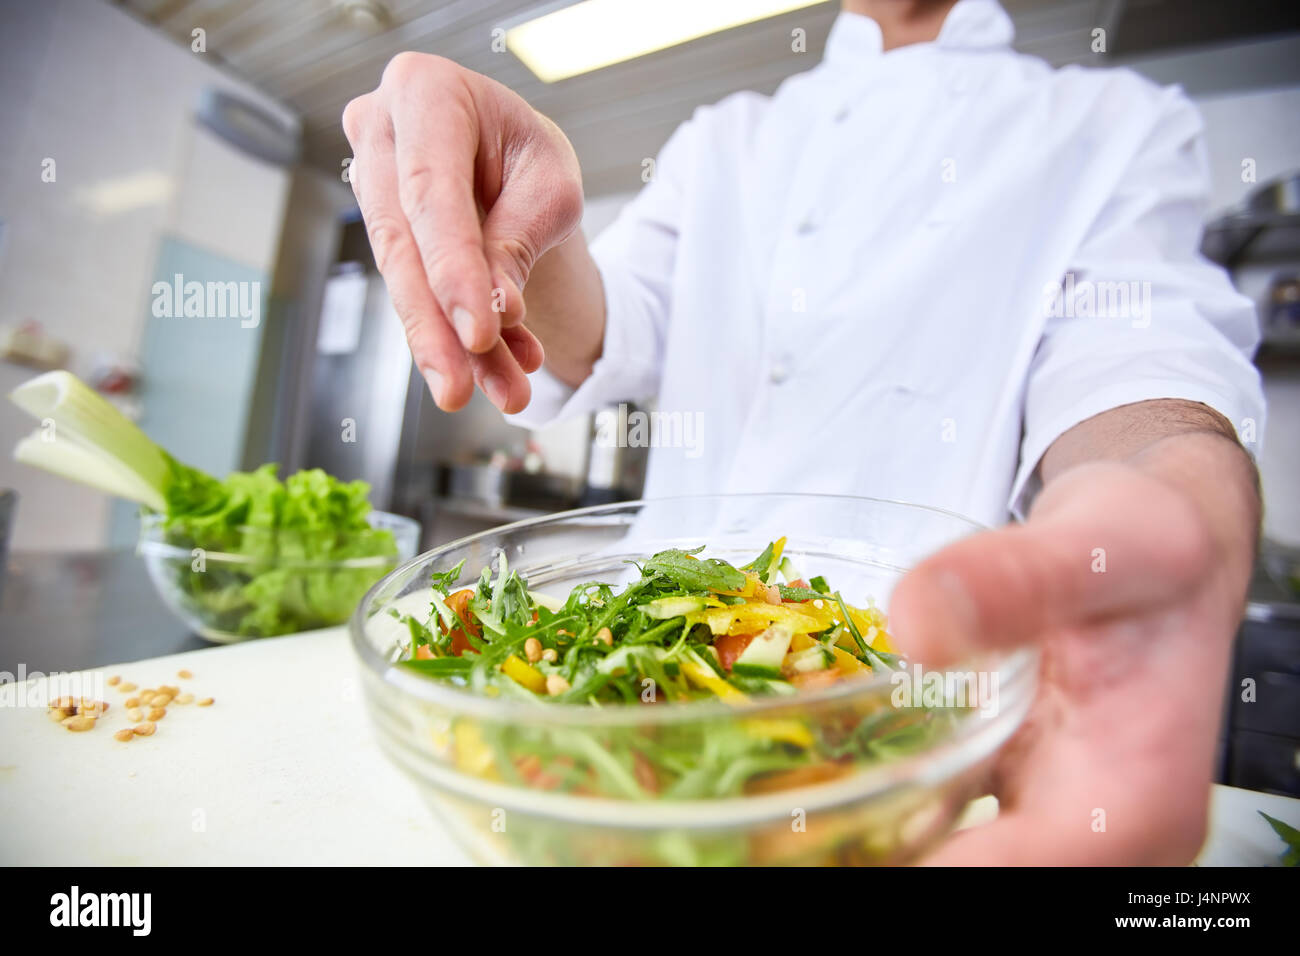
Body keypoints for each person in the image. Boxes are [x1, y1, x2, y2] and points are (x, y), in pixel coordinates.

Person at [341, 0, 1265, 865]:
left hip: (893, 736)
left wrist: (1181, 508)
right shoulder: (724, 141)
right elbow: (591, 338)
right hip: (632, 706)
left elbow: (1140, 378)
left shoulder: (1112, 122)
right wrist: (505, 200)